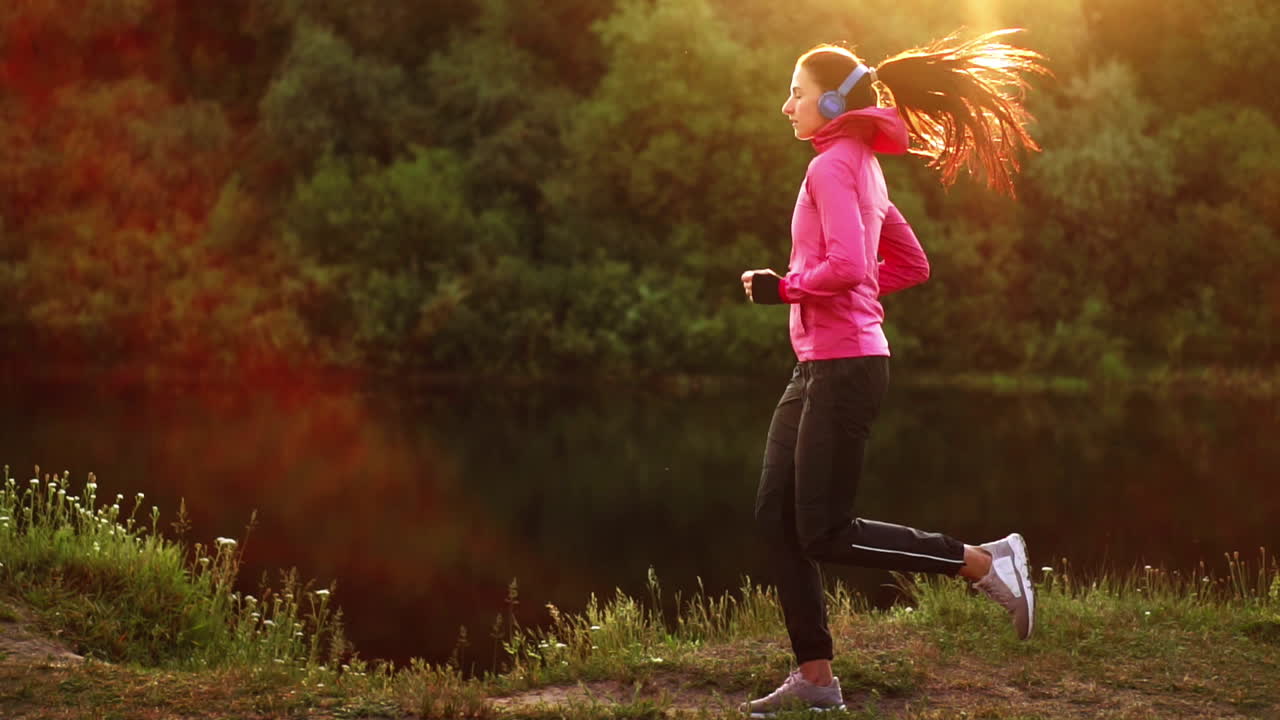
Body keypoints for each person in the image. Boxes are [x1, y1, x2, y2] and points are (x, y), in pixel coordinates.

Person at [739, 31, 1050, 717]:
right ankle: (815, 678)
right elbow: (909, 264)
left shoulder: (833, 168)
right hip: (822, 362)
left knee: (823, 529)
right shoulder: (859, 165)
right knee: (776, 514)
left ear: (826, 100)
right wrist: (841, 298)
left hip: (845, 366)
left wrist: (786, 288)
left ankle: (982, 562)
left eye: (794, 94)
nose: (784, 106)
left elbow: (851, 267)